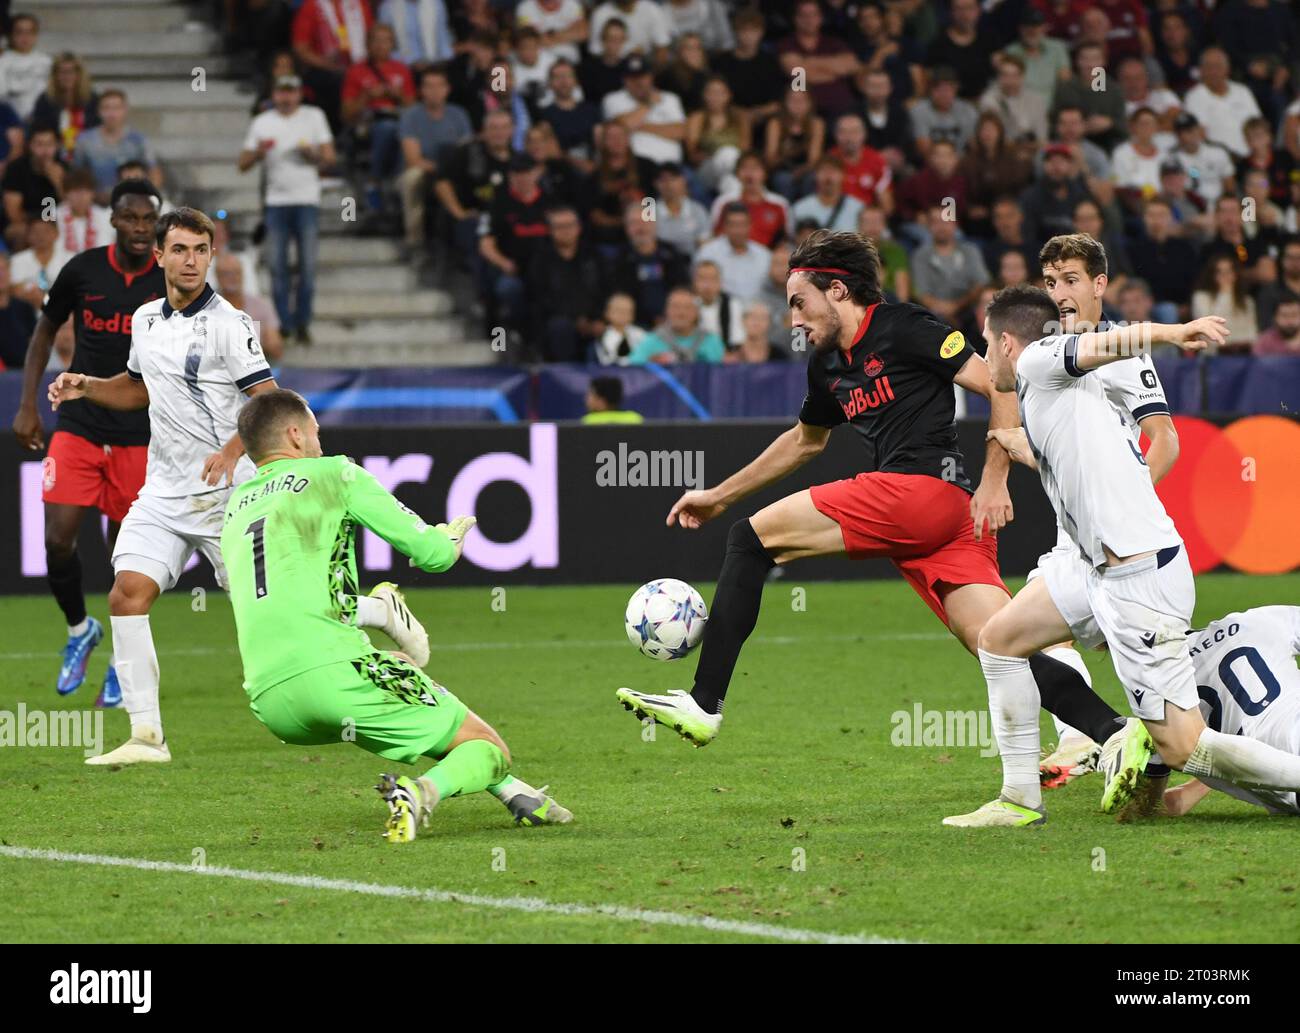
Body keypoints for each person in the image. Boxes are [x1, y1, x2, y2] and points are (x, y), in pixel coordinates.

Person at [616, 229, 1036, 749]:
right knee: (998, 642)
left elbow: (1001, 380)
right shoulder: (827, 364)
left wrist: (996, 479)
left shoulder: (906, 326)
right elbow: (805, 441)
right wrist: (720, 495)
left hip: (919, 492)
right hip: (945, 523)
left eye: (799, 302)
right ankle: (1109, 732)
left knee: (750, 541)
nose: (793, 319)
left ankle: (705, 703)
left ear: (838, 291)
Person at [965, 288, 1300, 825]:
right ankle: (1018, 800)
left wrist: (1173, 333)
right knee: (1000, 641)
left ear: (1008, 342)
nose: (983, 359)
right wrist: (1019, 446)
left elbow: (1106, 346)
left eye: (986, 344)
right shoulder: (1051, 395)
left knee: (1184, 747)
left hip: (1136, 578)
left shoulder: (1039, 356)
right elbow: (1072, 464)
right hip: (1098, 569)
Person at [220, 388, 573, 839]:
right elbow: (431, 555)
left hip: (270, 700)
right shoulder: (335, 474)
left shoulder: (235, 505)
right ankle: (421, 793)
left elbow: (304, 598)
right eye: (315, 432)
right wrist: (449, 538)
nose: (320, 441)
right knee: (487, 746)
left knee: (409, 688)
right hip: (334, 677)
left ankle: (518, 797)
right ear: (294, 434)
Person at [10, 181, 165, 706]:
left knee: (128, 557)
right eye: (132, 218)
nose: (141, 228)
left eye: (150, 219)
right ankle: (80, 630)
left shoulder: (169, 279)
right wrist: (29, 404)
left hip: (138, 431)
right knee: (58, 538)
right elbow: (43, 332)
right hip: (78, 419)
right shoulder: (82, 270)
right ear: (114, 220)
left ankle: (124, 662)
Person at [238, 75, 336, 345]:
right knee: (277, 266)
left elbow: (330, 158)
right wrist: (259, 152)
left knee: (307, 265)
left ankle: (302, 321)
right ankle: (284, 323)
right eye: (281, 92)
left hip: (307, 200)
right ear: (274, 94)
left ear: (299, 94)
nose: (286, 97)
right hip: (276, 202)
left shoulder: (313, 117)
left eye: (291, 92)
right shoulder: (262, 122)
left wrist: (312, 156)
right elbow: (243, 163)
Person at [70, 89, 162, 204]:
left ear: (125, 110)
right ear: (98, 111)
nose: (111, 114)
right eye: (106, 108)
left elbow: (154, 172)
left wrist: (148, 198)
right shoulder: (85, 141)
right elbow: (76, 175)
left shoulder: (138, 141)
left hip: (131, 204)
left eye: (116, 108)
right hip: (94, 205)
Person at [600, 55, 685, 167]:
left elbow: (680, 132)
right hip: (633, 168)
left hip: (671, 167)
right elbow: (619, 129)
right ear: (624, 80)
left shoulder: (670, 98)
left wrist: (639, 126)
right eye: (633, 78)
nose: (638, 82)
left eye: (642, 76)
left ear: (650, 77)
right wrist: (649, 104)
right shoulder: (613, 99)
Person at [214, 252, 284, 363]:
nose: (232, 277)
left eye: (236, 272)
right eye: (226, 274)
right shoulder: (206, 308)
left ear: (242, 275)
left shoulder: (262, 305)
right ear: (217, 277)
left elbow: (277, 350)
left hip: (255, 370)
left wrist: (269, 343)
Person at [626, 286, 725, 364]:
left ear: (697, 312)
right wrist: (649, 363)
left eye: (687, 307)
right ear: (666, 310)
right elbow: (632, 371)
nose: (681, 313)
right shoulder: (651, 341)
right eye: (675, 307)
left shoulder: (712, 341)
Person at [694, 202, 770, 301]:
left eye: (742, 224)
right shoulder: (708, 253)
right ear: (725, 226)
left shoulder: (764, 255)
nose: (738, 230)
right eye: (733, 225)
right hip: (720, 312)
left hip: (756, 312)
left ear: (750, 225)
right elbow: (698, 287)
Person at [1192, 255, 1258, 351]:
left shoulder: (1247, 301)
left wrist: (1236, 344)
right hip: (1213, 355)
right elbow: (1206, 333)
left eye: (1228, 271)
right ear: (1212, 276)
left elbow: (1252, 333)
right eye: (1219, 272)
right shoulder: (1201, 298)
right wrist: (1225, 294)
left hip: (1243, 353)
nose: (1224, 276)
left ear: (1235, 274)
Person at [0, 13, 52, 121]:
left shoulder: (46, 62)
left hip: (41, 120)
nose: (25, 37)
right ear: (10, 35)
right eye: (19, 32)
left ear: (36, 35)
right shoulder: (3, 61)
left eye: (30, 32)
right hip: (9, 122)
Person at [791, 156, 862, 234]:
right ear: (815, 176)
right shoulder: (800, 208)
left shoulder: (857, 208)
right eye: (824, 171)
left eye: (833, 171)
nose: (828, 177)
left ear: (843, 176)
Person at [56, 169, 112, 255]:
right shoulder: (53, 217)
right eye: (75, 191)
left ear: (93, 194)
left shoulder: (104, 217)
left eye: (85, 191)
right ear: (66, 194)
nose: (81, 197)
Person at [0, 252, 37, 369]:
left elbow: (35, 346)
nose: (1, 275)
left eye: (4, 269)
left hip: (21, 374)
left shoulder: (24, 308)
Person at [594, 291, 645, 365]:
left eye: (627, 311)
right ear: (607, 313)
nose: (623, 314)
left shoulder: (642, 335)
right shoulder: (600, 338)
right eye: (618, 310)